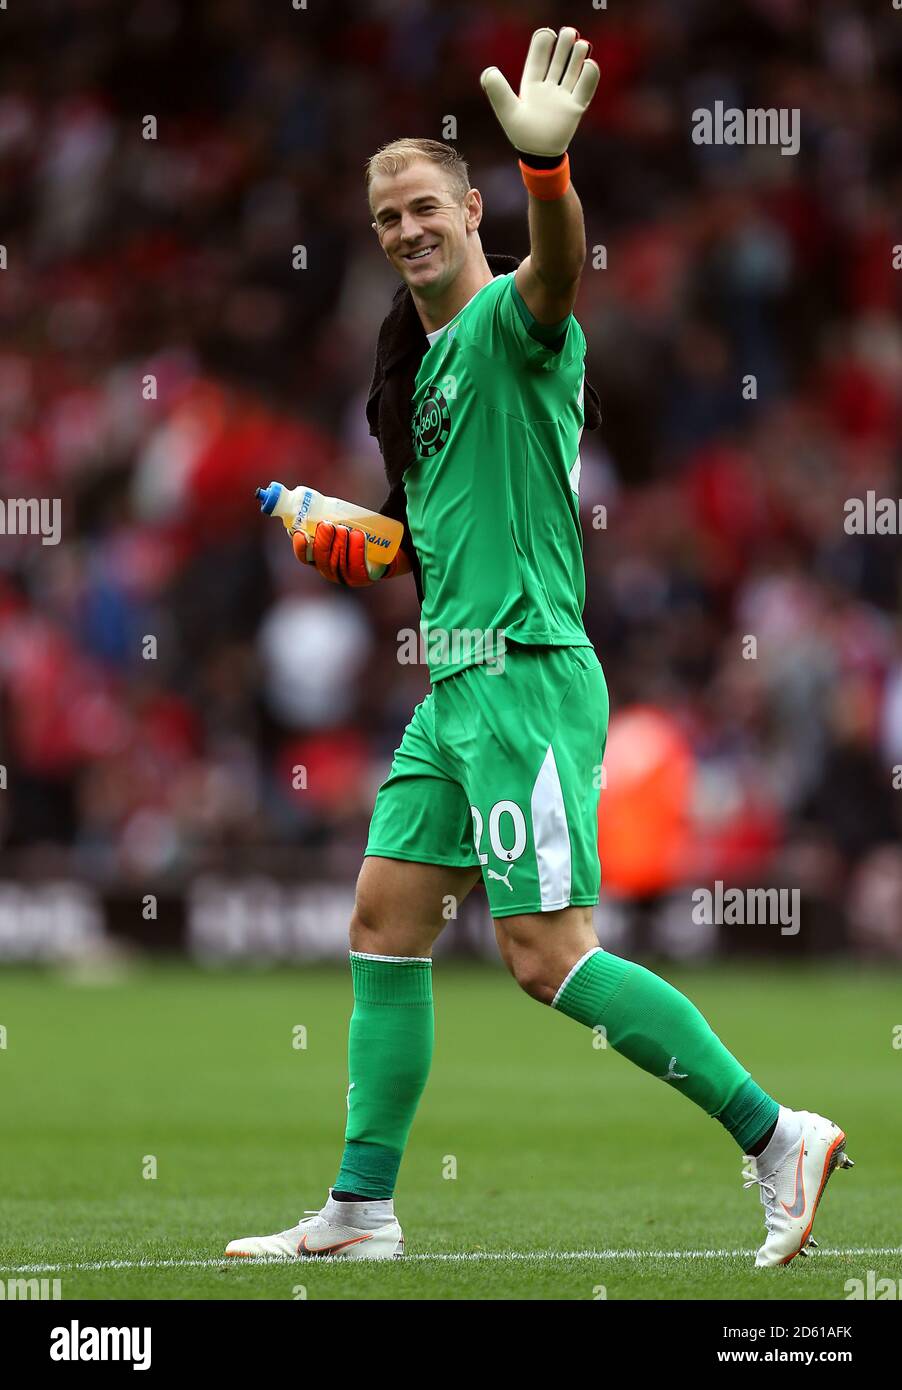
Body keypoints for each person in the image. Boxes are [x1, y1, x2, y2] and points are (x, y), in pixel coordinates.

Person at [226, 27, 852, 1268]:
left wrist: (547, 173)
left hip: (521, 672)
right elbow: (432, 541)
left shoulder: (513, 323)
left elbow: (557, 271)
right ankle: (359, 1210)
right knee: (383, 918)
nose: (405, 229)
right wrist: (354, 535)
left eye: (424, 207)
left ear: (470, 210)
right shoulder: (419, 378)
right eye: (385, 218)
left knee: (544, 954)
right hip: (452, 684)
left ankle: (774, 1133)